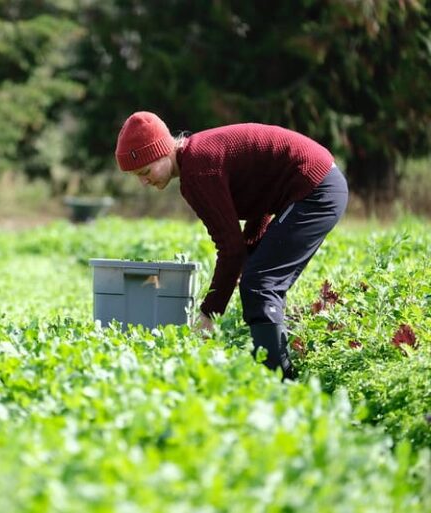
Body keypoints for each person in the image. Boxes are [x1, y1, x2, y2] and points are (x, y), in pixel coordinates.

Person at [115, 111, 348, 380]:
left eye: (145, 171)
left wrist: (208, 313)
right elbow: (260, 200)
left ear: (164, 150)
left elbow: (231, 249)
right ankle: (279, 373)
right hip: (317, 183)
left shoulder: (198, 170)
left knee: (261, 284)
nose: (144, 182)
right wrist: (250, 255)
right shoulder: (198, 158)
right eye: (136, 176)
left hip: (315, 188)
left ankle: (281, 384)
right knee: (258, 279)